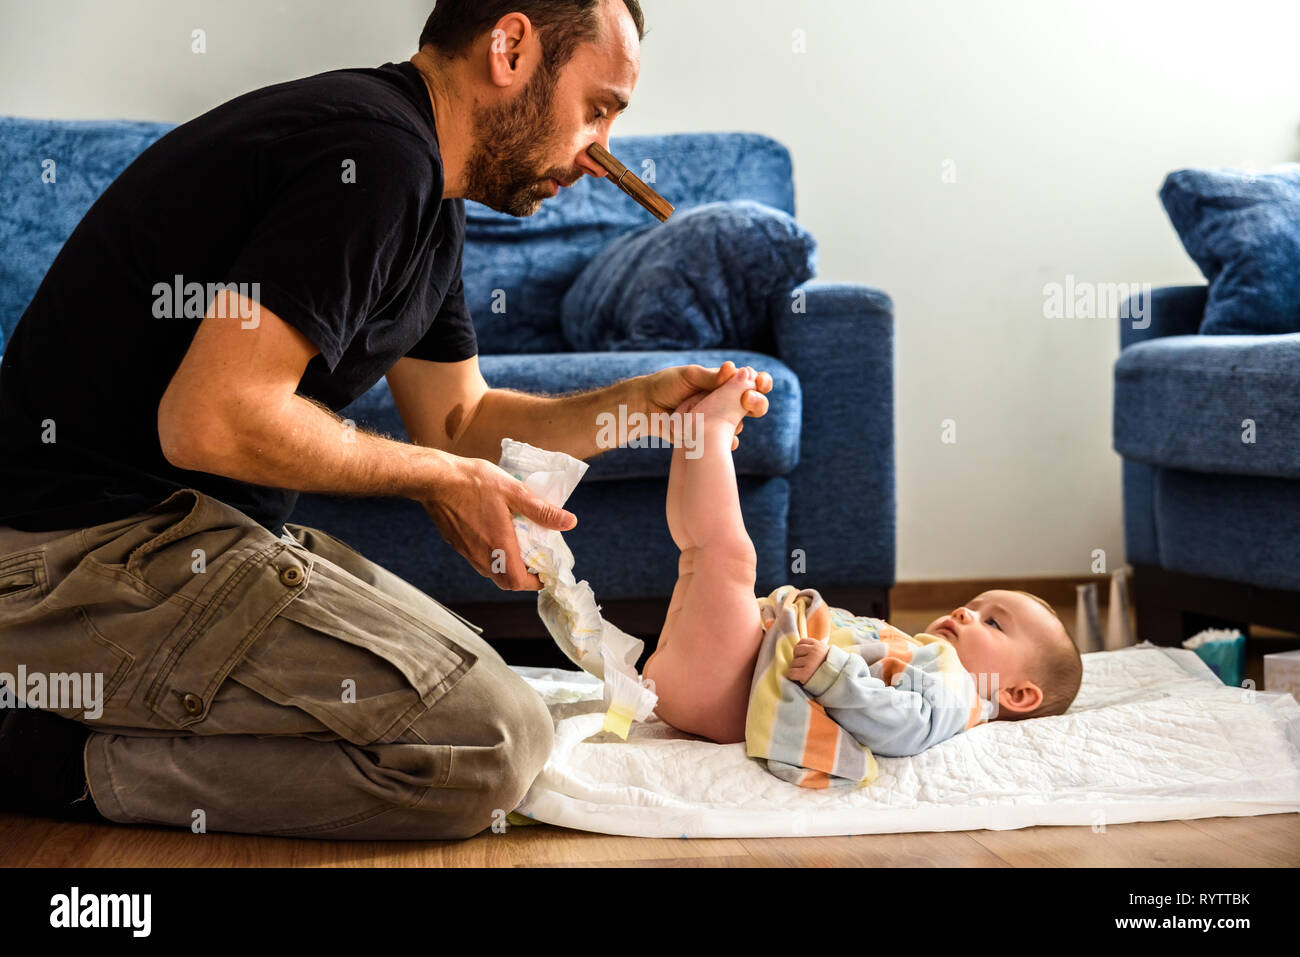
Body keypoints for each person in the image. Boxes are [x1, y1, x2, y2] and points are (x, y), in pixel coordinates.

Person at [0, 0, 773, 840]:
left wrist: (639, 406)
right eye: (597, 108)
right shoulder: (372, 156)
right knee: (489, 743)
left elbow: (457, 421)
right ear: (510, 47)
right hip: (73, 559)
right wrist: (439, 479)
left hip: (186, 540)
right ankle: (40, 755)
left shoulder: (427, 188)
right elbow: (210, 419)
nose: (599, 155)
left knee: (515, 711)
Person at [643, 365, 1083, 768]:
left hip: (734, 693)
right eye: (974, 604)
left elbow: (905, 725)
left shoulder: (961, 690)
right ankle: (695, 438)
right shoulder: (924, 657)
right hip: (720, 678)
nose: (967, 612)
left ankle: (708, 432)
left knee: (726, 557)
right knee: (699, 555)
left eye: (994, 624)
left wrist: (834, 677)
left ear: (1017, 694)